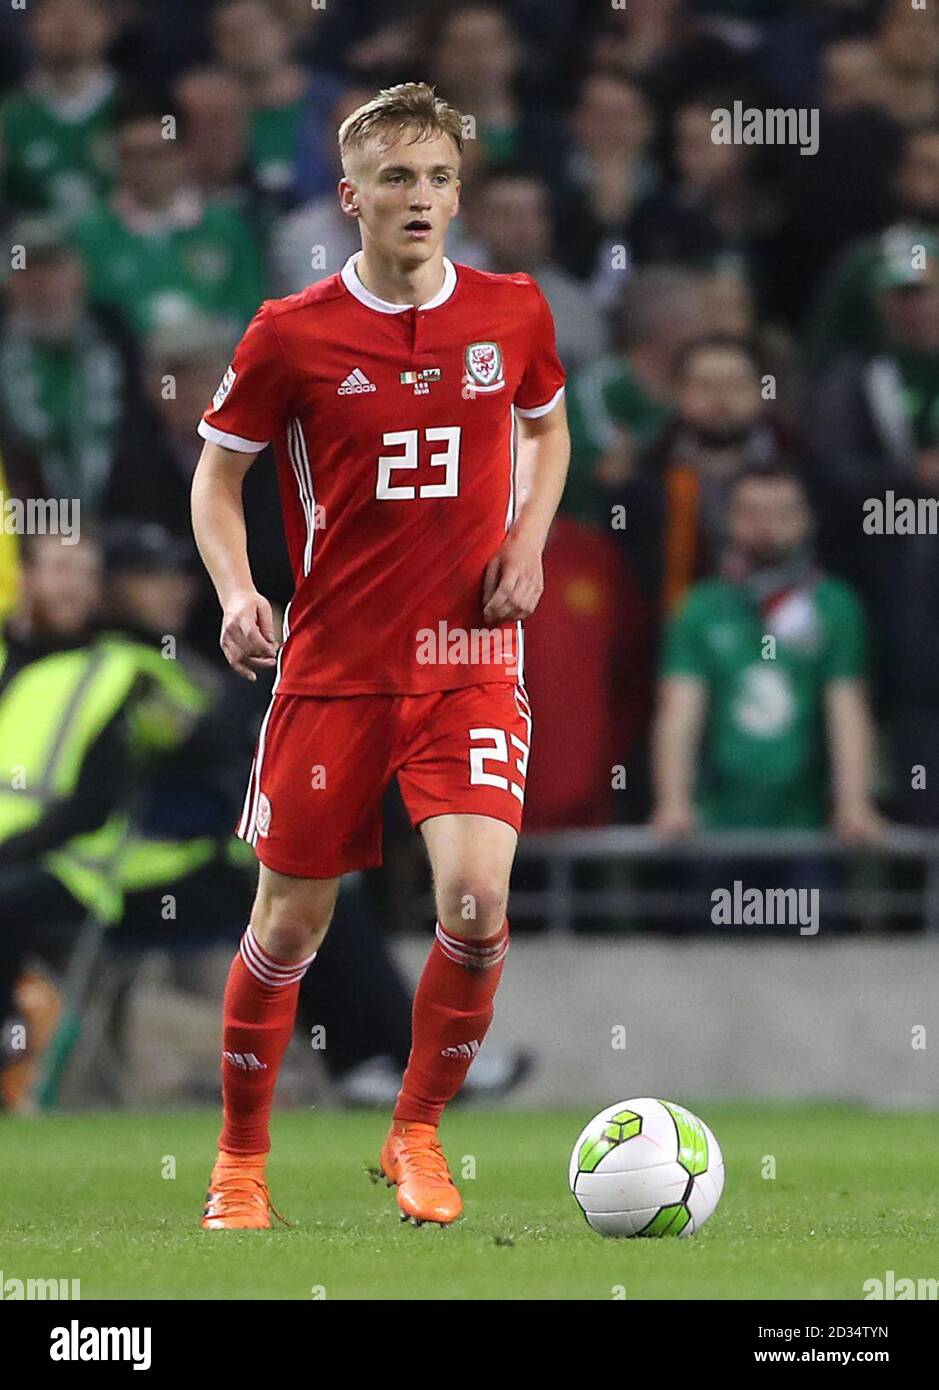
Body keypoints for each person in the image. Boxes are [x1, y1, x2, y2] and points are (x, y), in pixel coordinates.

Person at [191, 82, 569, 1229]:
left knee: (472, 899)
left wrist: (528, 541)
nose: (421, 197)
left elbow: (549, 431)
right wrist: (238, 590)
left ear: (461, 192)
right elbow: (219, 475)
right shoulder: (289, 331)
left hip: (468, 660)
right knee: (289, 926)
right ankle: (239, 1164)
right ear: (350, 196)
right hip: (334, 669)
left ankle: (416, 1133)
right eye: (397, 178)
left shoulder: (512, 312)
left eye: (440, 177)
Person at [650, 466, 884, 849]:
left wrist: (854, 804)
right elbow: (679, 711)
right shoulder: (700, 608)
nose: (766, 526)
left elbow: (847, 709)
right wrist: (673, 803)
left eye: (782, 513)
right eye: (751, 513)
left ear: (808, 519)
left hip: (810, 831)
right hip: (713, 827)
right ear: (727, 519)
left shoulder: (835, 606)